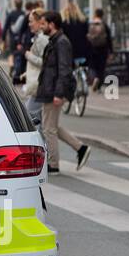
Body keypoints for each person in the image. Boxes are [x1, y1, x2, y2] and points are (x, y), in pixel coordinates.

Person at [36, 10, 92, 172]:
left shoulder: (61, 42)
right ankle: (80, 148)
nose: (41, 27)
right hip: (50, 89)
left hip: (54, 90)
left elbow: (64, 70)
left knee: (49, 128)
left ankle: (53, 164)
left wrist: (59, 94)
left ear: (51, 25)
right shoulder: (55, 41)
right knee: (51, 125)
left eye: (43, 24)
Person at [21, 7, 49, 119]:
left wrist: (29, 56)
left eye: (31, 21)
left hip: (40, 85)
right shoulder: (39, 37)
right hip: (40, 84)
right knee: (47, 124)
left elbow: (45, 62)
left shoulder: (42, 39)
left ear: (39, 22)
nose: (29, 24)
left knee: (28, 117)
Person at [59, 2, 91, 81]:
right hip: (82, 49)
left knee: (70, 69)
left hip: (69, 49)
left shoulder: (64, 24)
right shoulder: (83, 22)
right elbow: (87, 35)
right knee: (81, 67)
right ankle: (83, 80)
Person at [87, 11, 112, 88]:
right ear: (102, 15)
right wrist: (111, 51)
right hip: (103, 49)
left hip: (92, 49)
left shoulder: (90, 24)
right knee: (101, 67)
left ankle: (94, 78)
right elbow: (109, 39)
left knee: (92, 66)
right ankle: (98, 82)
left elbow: (87, 38)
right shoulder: (104, 25)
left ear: (95, 15)